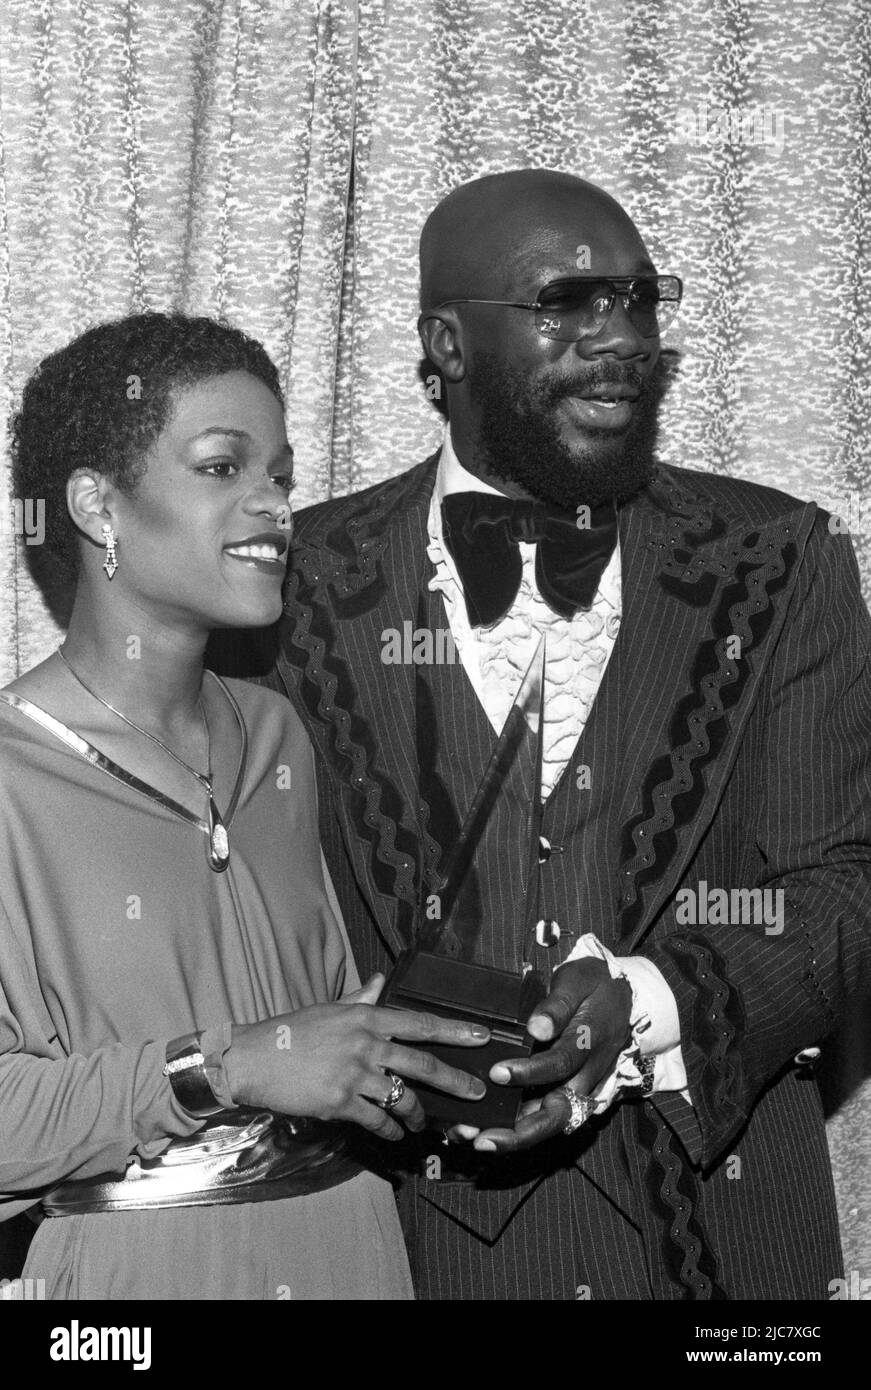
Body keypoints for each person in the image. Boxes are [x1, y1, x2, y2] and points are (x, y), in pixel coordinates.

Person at [264, 170, 871, 1300]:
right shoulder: (289, 583)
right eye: (569, 302)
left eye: (640, 303)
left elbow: (843, 885)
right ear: (442, 343)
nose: (622, 339)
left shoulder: (783, 557)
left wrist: (653, 999)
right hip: (406, 1244)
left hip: (727, 1248)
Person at [0, 312, 490, 1301]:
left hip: (351, 1247)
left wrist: (416, 1046)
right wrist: (220, 1065)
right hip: (140, 1277)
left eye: (282, 476)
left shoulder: (279, 736)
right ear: (97, 506)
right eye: (223, 468)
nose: (273, 506)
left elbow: (307, 1022)